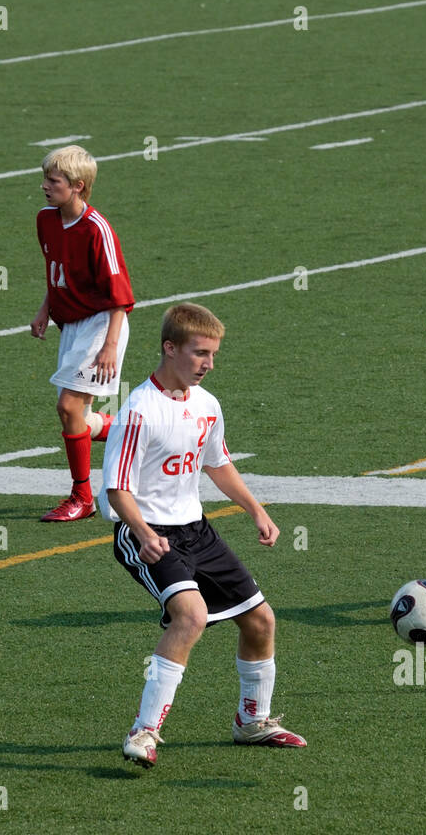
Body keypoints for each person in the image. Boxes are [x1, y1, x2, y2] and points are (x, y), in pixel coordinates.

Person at [100, 303, 305, 768]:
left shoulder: (207, 405)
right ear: (169, 349)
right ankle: (144, 731)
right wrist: (143, 531)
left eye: (213, 354)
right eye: (199, 353)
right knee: (189, 617)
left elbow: (216, 462)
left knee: (261, 621)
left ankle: (253, 722)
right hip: (147, 533)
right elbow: (116, 488)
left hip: (197, 531)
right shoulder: (138, 411)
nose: (208, 364)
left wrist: (255, 509)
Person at [30, 145, 135, 522]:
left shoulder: (97, 229)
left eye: (52, 180)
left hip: (101, 323)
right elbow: (59, 273)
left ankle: (82, 496)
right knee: (78, 417)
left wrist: (109, 345)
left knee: (68, 407)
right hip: (71, 325)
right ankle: (132, 430)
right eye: (45, 178)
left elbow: (120, 296)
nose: (44, 186)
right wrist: (45, 310)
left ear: (77, 186)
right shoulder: (45, 219)